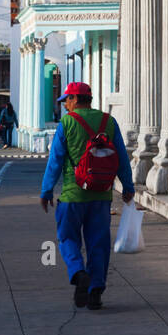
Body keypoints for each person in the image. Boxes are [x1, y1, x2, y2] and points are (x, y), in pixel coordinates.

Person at [40, 81, 134, 311]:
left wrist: (46, 190)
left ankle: (78, 273)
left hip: (73, 195)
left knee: (68, 238)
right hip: (101, 195)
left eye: (66, 101)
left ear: (74, 99)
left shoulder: (67, 123)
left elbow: (55, 161)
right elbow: (121, 156)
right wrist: (128, 187)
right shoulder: (108, 122)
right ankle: (96, 293)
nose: (64, 106)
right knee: (98, 245)